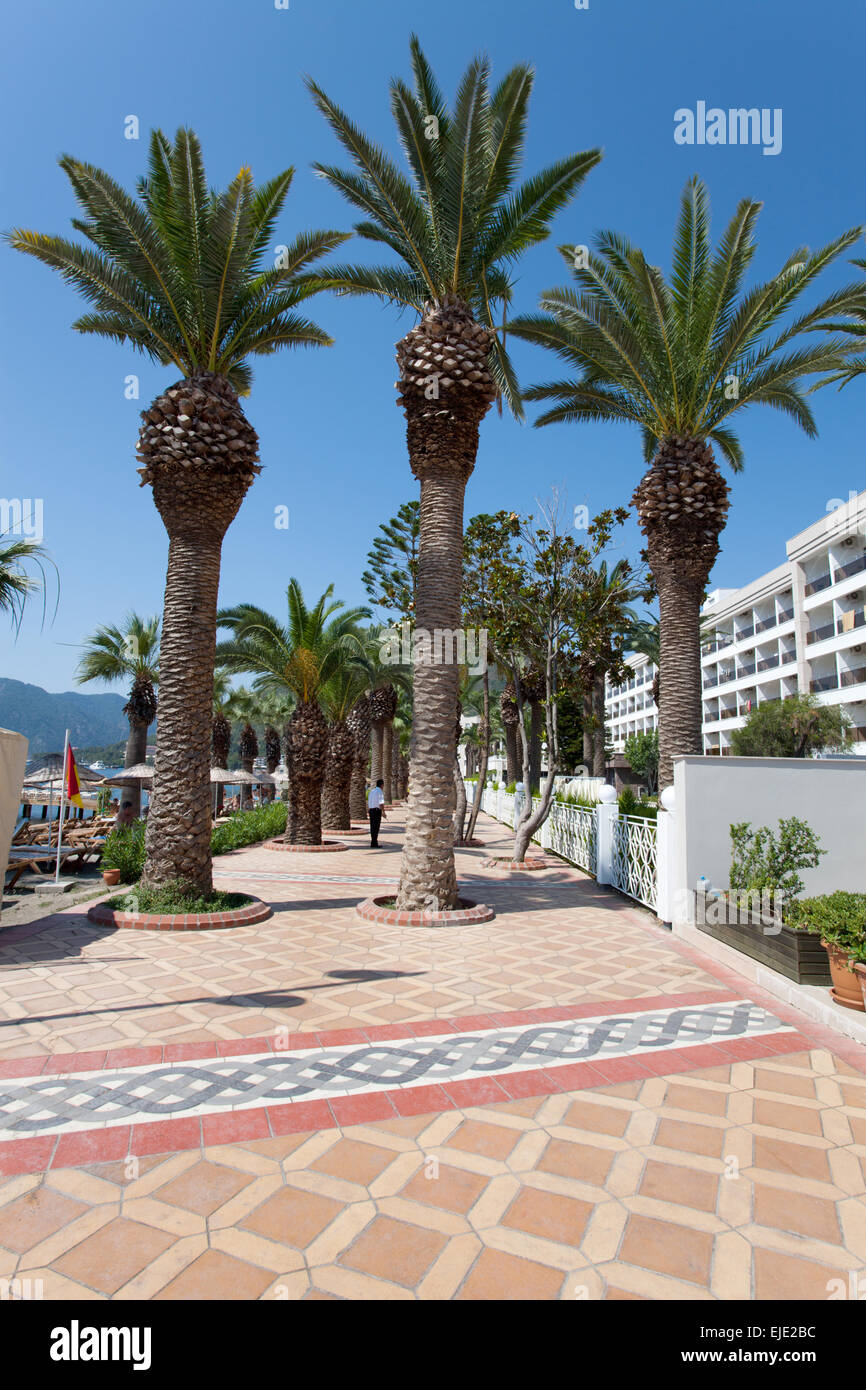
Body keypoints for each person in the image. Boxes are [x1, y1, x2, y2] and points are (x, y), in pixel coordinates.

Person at [368, 778, 385, 848]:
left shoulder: (372, 791)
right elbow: (381, 803)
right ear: (381, 785)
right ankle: (374, 843)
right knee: (376, 827)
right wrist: (383, 812)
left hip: (371, 810)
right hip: (376, 811)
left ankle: (373, 842)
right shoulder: (380, 791)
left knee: (372, 827)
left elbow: (369, 801)